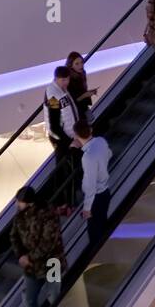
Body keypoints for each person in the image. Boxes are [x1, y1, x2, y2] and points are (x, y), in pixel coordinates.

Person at [10, 186, 65, 307]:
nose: (17, 204)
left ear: (28, 202)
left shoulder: (48, 214)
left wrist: (29, 257)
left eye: (19, 201)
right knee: (29, 299)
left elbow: (48, 242)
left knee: (54, 296)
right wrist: (21, 255)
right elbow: (14, 236)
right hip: (32, 266)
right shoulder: (19, 217)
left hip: (52, 262)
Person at [43, 65, 81, 206]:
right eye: (63, 80)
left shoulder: (63, 90)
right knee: (64, 170)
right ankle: (64, 203)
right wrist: (68, 141)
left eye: (67, 79)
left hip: (71, 136)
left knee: (68, 168)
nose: (66, 82)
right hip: (62, 139)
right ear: (56, 79)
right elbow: (54, 124)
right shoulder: (53, 94)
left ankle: (67, 201)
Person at [72, 120, 111, 244]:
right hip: (106, 192)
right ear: (91, 130)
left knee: (95, 233)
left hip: (96, 198)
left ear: (76, 136)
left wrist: (87, 208)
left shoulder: (87, 157)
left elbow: (90, 186)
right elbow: (109, 154)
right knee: (103, 225)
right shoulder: (101, 141)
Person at [65, 51, 96, 115]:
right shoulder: (68, 80)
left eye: (82, 62)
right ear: (71, 65)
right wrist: (85, 95)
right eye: (77, 64)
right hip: (76, 112)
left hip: (84, 107)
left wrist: (88, 93)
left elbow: (82, 91)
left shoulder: (82, 74)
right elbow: (71, 101)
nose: (81, 65)